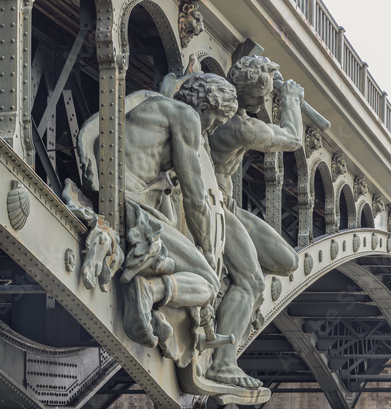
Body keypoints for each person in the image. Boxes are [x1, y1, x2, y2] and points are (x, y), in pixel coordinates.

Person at [117, 74, 238, 353]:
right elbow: (196, 198)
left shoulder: (153, 109)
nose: (210, 131)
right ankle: (150, 291)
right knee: (209, 283)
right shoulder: (187, 116)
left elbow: (170, 219)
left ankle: (157, 301)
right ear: (206, 106)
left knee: (180, 259)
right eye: (216, 122)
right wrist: (208, 252)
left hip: (121, 198)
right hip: (132, 208)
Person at [204, 56, 303, 388]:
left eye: (268, 96)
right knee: (252, 282)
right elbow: (292, 139)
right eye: (259, 96)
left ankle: (229, 297)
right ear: (241, 90)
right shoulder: (239, 127)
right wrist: (290, 99)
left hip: (229, 206)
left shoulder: (240, 119)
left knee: (288, 261)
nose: (263, 104)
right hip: (213, 207)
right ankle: (223, 363)